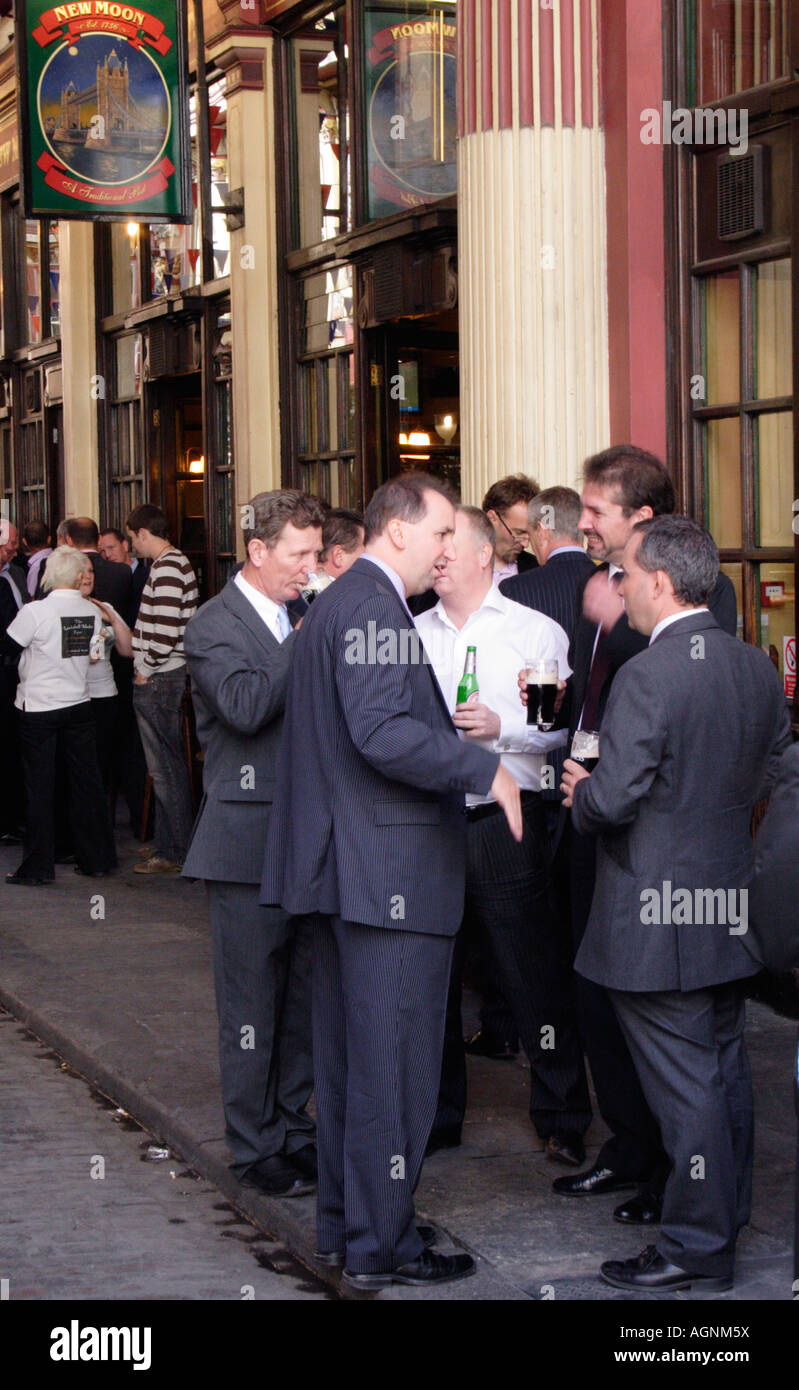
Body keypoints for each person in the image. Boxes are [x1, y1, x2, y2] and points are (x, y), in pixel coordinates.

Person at [261, 473, 522, 1290]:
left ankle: (347, 1230)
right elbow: (379, 733)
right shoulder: (371, 607)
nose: (451, 550)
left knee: (350, 1071)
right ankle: (384, 1247)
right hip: (387, 880)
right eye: (444, 533)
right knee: (393, 1074)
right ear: (401, 531)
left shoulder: (336, 603)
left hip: (348, 878)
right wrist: (487, 768)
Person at [562, 516, 791, 1292]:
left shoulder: (650, 674)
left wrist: (579, 796)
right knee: (721, 1071)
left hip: (653, 918)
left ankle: (696, 1246)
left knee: (687, 1088)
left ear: (660, 582)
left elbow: (616, 798)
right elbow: (767, 776)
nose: (617, 587)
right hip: (727, 902)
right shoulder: (753, 667)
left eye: (624, 574)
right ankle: (719, 1222)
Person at [552, 444, 737, 1228]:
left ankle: (675, 1180)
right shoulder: (596, 583)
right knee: (597, 998)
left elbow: (689, 707)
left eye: (595, 511)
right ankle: (629, 1148)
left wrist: (596, 794)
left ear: (642, 520)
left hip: (649, 841)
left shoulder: (695, 595)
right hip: (598, 821)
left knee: (669, 1032)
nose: (581, 523)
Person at [415, 506, 591, 1166]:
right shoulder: (412, 632)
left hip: (504, 822)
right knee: (434, 974)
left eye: (447, 544)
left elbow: (553, 735)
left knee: (530, 972)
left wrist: (500, 731)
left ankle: (562, 1114)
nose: (436, 557)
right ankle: (435, 1116)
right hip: (429, 823)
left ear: (484, 554)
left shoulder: (533, 632)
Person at [183, 490, 325, 1198]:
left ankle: (293, 1127)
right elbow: (242, 708)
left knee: (300, 999)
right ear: (258, 552)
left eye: (315, 553)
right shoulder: (213, 624)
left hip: (308, 836)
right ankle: (252, 1146)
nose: (310, 567)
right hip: (244, 841)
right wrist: (306, 638)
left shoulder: (300, 612)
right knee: (250, 1006)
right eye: (298, 555)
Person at [5, 546, 116, 885]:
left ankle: (39, 867)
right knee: (86, 783)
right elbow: (89, 655)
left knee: (40, 787)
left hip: (40, 706)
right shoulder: (90, 611)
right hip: (78, 702)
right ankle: (96, 858)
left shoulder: (36, 611)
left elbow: (9, 648)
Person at [125, 504, 198, 874]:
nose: (132, 545)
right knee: (165, 766)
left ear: (142, 533)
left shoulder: (168, 566)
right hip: (165, 674)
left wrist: (145, 668)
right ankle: (169, 844)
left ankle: (176, 851)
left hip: (161, 676)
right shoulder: (172, 563)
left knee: (165, 767)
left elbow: (166, 630)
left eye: (132, 537)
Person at [79, 554, 134, 796]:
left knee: (103, 763)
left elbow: (127, 648)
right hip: (78, 696)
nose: (87, 576)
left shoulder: (104, 607)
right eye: (81, 572)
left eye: (90, 571)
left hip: (106, 694)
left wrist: (109, 616)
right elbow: (88, 656)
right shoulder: (64, 610)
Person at [0, 522, 29, 844]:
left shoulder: (15, 572)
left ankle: (10, 817)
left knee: (10, 744)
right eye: (7, 544)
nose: (12, 549)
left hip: (14, 670)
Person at [64, 517, 135, 626]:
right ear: (99, 539)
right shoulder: (123, 571)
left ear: (69, 540)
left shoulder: (59, 570)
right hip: (116, 637)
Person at [482, 474, 539, 584]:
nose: (526, 544)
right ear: (492, 518)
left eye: (530, 534)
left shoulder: (537, 569)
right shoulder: (455, 567)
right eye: (518, 533)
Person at [99, 527, 148, 618]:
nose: (107, 555)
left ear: (125, 545)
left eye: (111, 548)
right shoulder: (104, 580)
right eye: (102, 551)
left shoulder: (147, 576)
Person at [22, 520, 52, 599]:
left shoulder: (37, 566)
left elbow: (31, 596)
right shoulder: (56, 558)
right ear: (49, 539)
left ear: (24, 542)